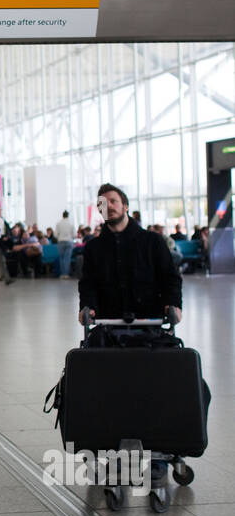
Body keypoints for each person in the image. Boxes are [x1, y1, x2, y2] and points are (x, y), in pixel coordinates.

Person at [78, 184, 182, 487]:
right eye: (102, 203)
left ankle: (158, 450)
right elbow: (89, 285)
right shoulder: (95, 248)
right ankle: (106, 445)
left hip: (149, 330)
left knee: (158, 385)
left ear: (125, 205)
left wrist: (173, 305)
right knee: (106, 388)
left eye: (113, 201)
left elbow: (170, 278)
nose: (108, 206)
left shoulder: (152, 242)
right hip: (110, 330)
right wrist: (88, 307)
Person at [55, 210, 76, 279]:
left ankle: (62, 274)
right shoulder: (71, 223)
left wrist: (59, 237)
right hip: (69, 241)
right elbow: (75, 235)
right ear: (68, 215)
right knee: (67, 258)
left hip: (61, 241)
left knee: (61, 258)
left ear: (62, 215)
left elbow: (55, 234)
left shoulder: (59, 223)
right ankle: (66, 274)